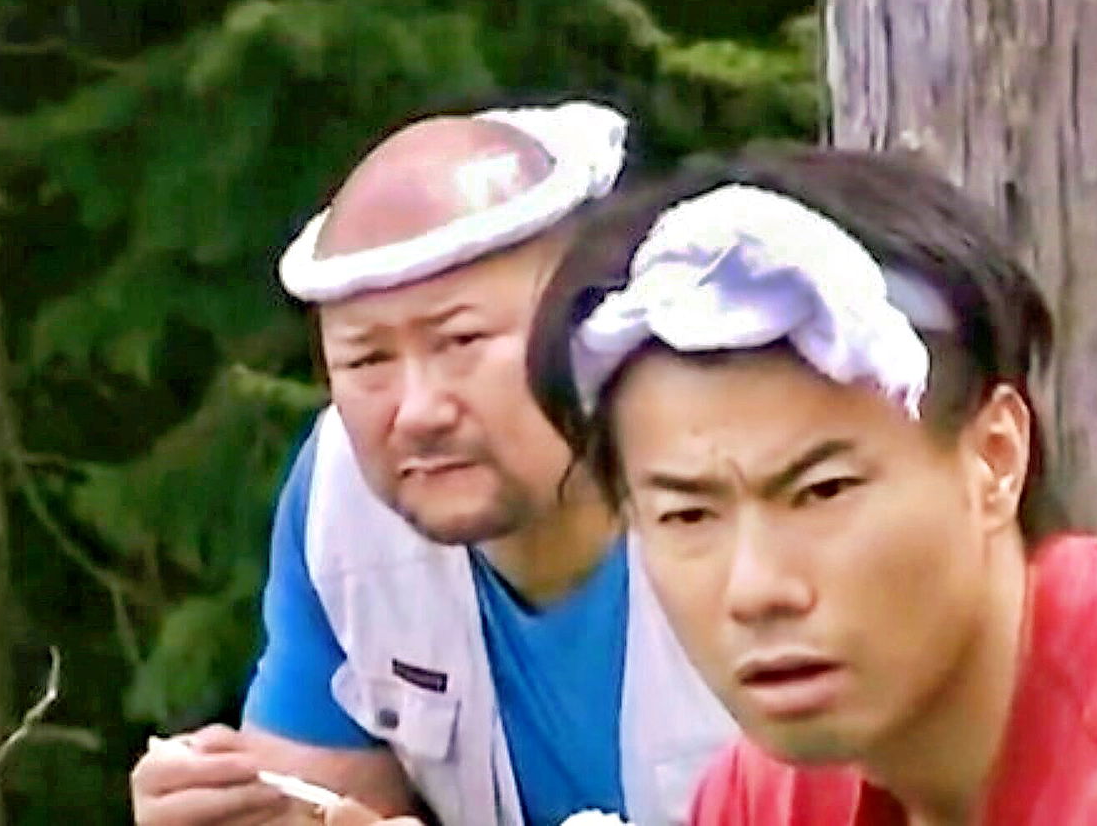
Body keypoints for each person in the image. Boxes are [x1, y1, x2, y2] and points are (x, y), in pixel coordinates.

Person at [525, 148, 1097, 825]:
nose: (758, 586)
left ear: (995, 458)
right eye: (688, 513)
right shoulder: (781, 792)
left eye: (822, 492)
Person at [130, 101, 732, 826]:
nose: (417, 410)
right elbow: (318, 800)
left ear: (590, 320)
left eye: (460, 341)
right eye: (368, 359)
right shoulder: (338, 503)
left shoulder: (745, 484)